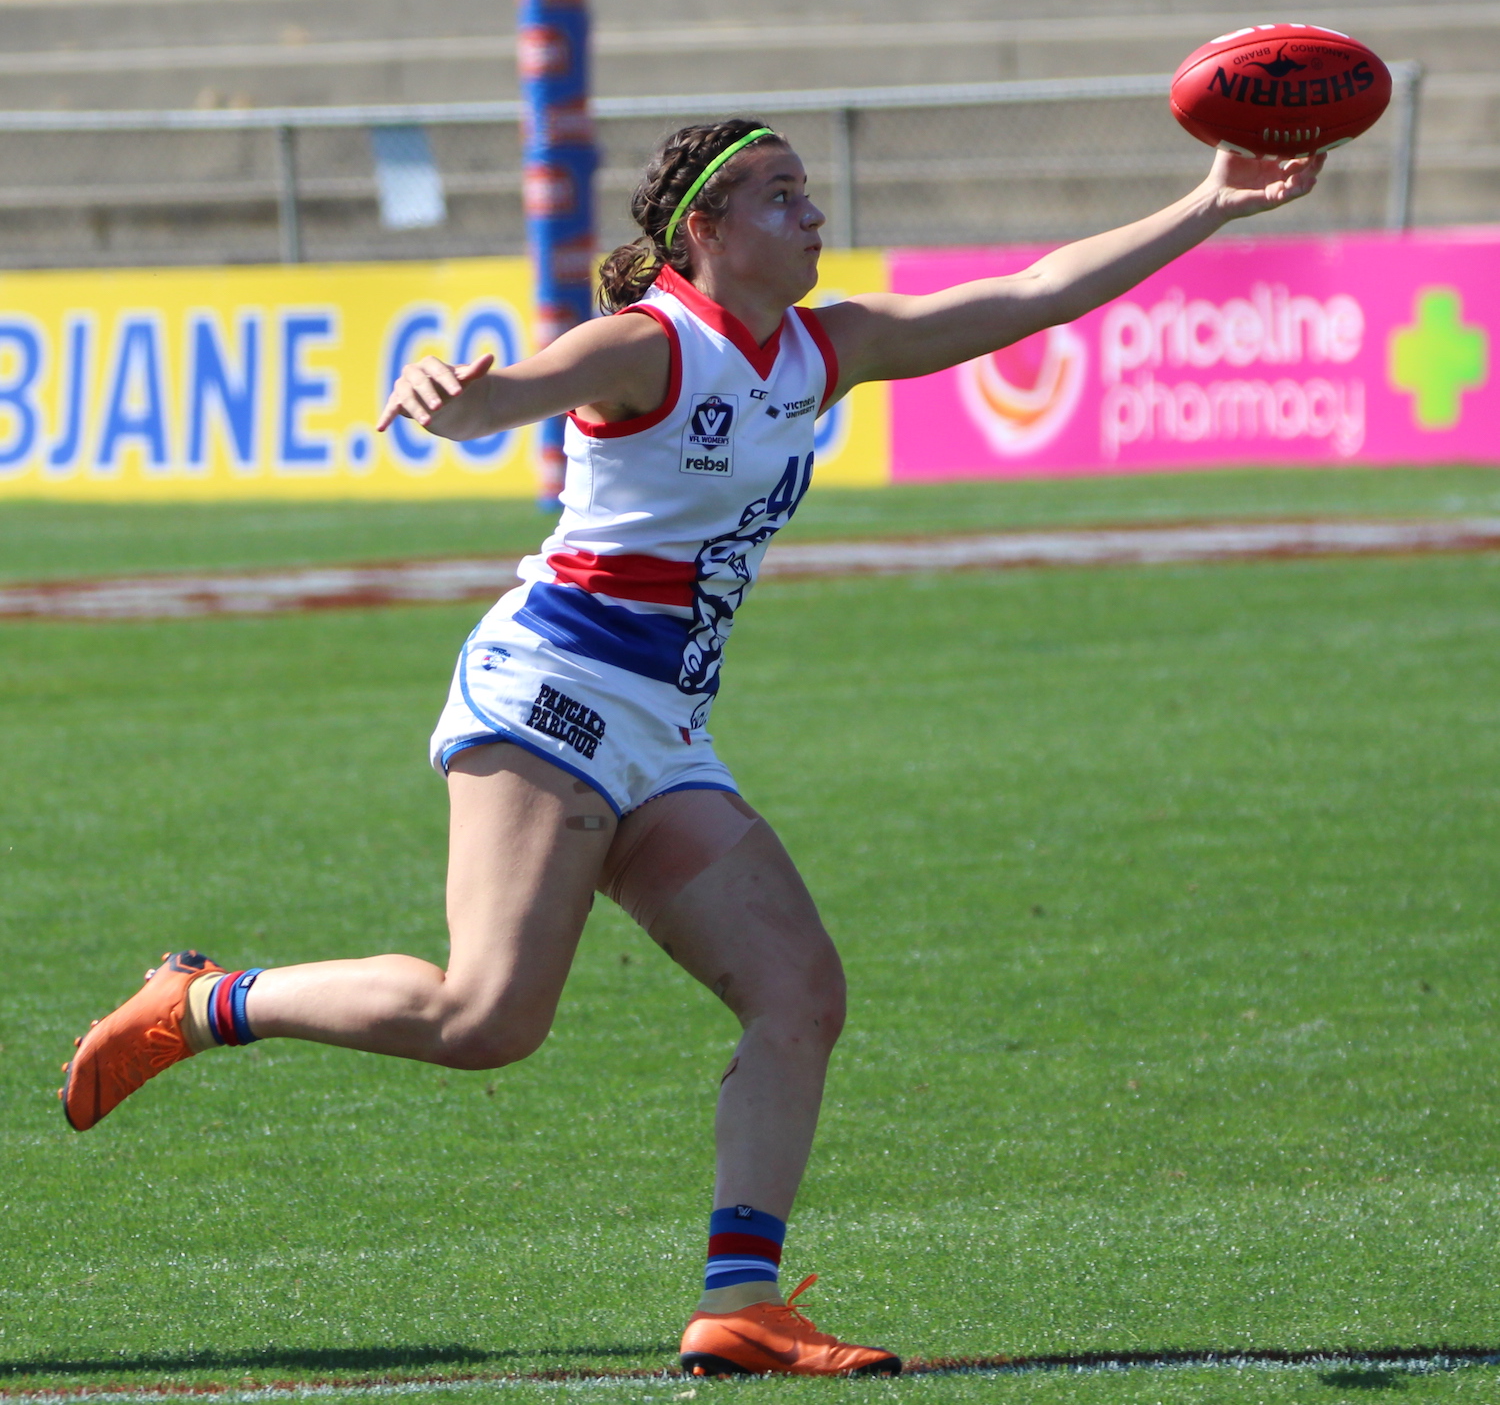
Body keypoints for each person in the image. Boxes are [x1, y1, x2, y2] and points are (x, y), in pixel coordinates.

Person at [61, 117, 1322, 1377]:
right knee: (486, 1017)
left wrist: (1209, 201)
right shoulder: (651, 344)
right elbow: (520, 390)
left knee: (799, 992)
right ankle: (203, 1001)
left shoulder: (827, 347)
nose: (812, 214)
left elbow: (1034, 294)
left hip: (663, 726)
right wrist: (465, 400)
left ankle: (742, 1303)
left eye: (809, 192)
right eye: (779, 198)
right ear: (703, 234)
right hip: (553, 688)